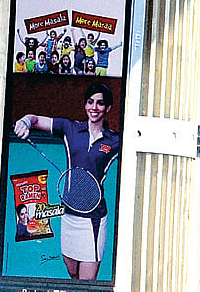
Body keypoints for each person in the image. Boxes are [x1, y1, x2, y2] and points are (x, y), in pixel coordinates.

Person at [13, 82, 121, 280]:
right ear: (85, 105)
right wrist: (25, 122)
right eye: (90, 102)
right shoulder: (70, 129)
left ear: (108, 108)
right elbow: (34, 119)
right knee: (72, 275)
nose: (94, 107)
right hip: (68, 215)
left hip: (93, 220)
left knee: (86, 284)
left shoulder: (114, 141)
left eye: (100, 103)